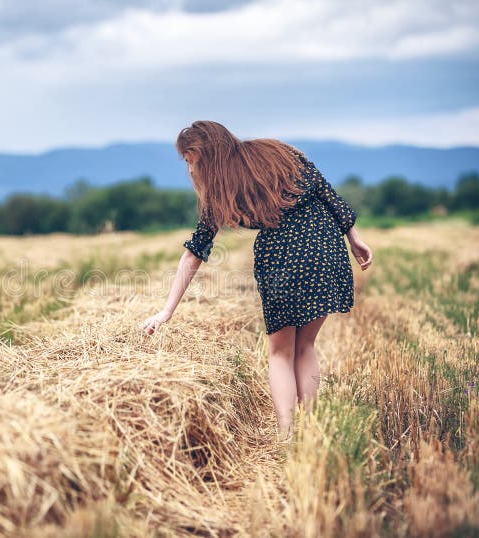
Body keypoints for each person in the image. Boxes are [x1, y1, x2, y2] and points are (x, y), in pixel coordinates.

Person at [140, 120, 373, 438]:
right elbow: (326, 192)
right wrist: (353, 238)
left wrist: (166, 311)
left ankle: (287, 436)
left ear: (199, 154)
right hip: (325, 247)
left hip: (280, 257)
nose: (188, 167)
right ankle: (313, 435)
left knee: (280, 353)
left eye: (187, 159)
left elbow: (194, 252)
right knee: (306, 346)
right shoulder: (278, 151)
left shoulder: (220, 190)